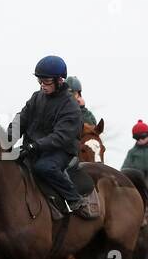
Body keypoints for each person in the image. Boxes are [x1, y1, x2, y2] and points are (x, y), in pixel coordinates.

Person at [16, 56, 96, 219]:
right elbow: (21, 119)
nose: (42, 86)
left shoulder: (70, 105)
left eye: (46, 82)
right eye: (40, 82)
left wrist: (34, 146)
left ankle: (75, 200)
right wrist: (6, 138)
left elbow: (61, 136)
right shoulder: (36, 97)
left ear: (59, 80)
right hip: (36, 147)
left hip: (60, 150)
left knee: (44, 167)